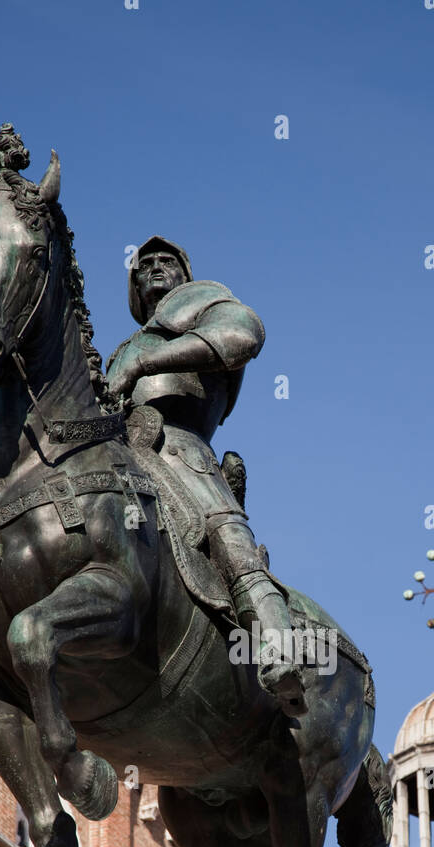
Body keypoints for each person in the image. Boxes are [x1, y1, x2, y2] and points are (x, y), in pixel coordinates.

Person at [106, 236, 305, 715]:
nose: (154, 267)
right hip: (118, 456)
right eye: (144, 263)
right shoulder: (117, 350)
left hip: (180, 448)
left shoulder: (207, 304)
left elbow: (245, 335)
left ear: (184, 275)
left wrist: (146, 362)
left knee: (225, 534)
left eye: (166, 261)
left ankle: (278, 647)